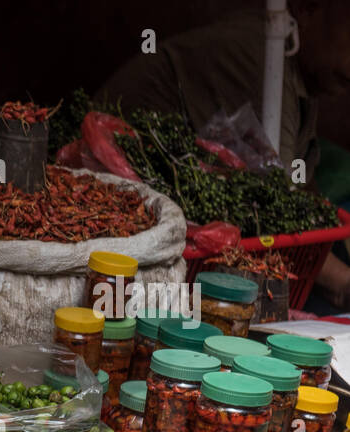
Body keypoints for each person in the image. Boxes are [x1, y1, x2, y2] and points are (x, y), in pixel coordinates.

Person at [99, 0, 350, 306]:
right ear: (307, 9)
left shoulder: (306, 77)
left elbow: (305, 201)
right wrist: (343, 282)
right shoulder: (262, 53)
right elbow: (275, 205)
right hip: (124, 229)